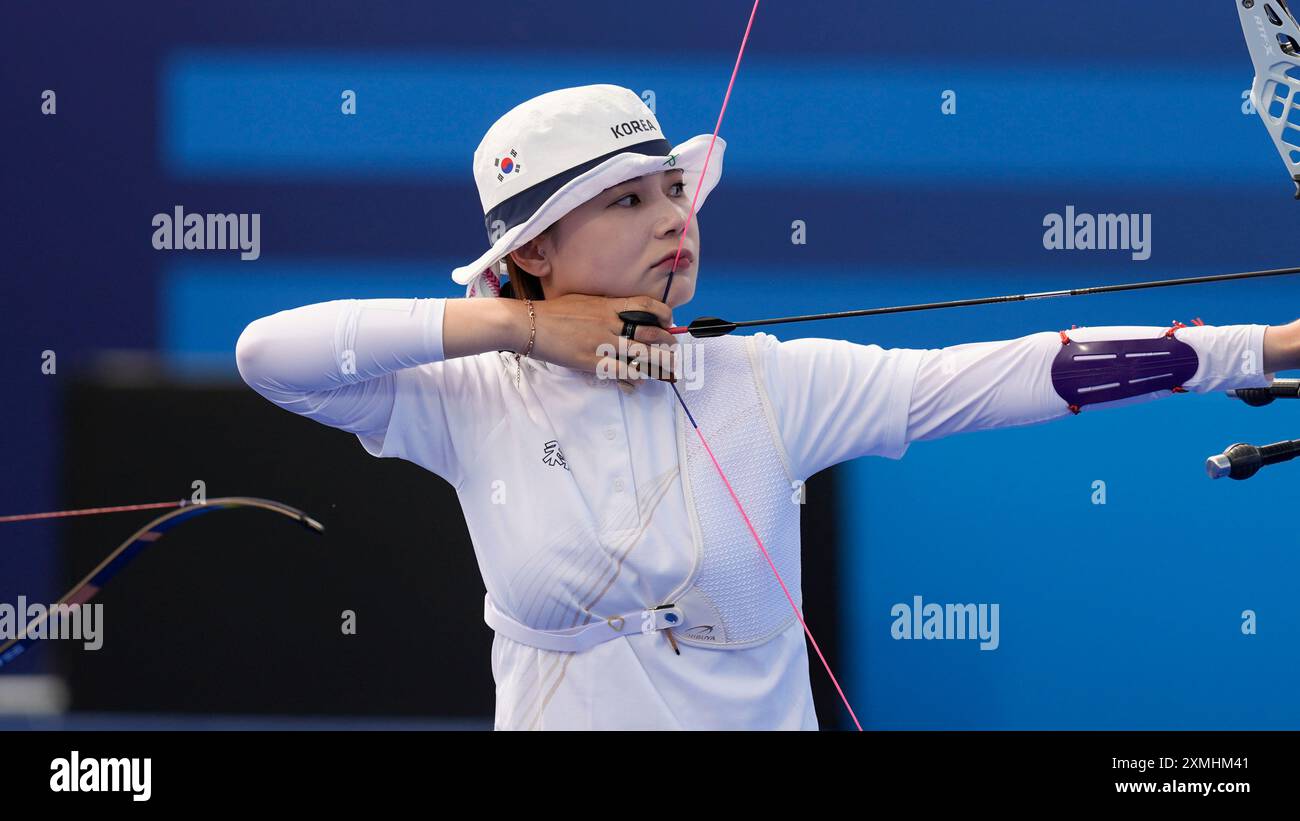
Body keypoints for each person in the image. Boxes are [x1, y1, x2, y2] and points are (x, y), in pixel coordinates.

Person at [236, 84, 1295, 730]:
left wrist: (1266, 346)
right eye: (625, 200)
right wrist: (520, 329)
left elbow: (1015, 369)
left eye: (670, 190)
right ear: (535, 253)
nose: (671, 216)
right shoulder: (467, 395)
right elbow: (269, 354)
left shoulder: (769, 383)